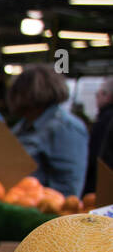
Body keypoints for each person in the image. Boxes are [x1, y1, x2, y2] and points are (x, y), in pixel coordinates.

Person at [8, 65, 88, 198]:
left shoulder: (66, 128)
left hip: (42, 211)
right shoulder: (24, 124)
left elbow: (69, 188)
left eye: (18, 93)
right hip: (15, 201)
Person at [85, 77, 112, 196]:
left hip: (100, 187)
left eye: (98, 94)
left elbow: (96, 154)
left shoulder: (106, 119)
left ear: (108, 96)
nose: (96, 98)